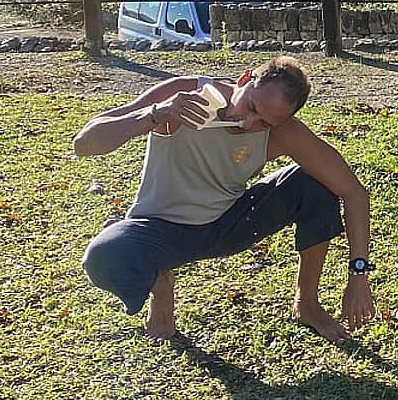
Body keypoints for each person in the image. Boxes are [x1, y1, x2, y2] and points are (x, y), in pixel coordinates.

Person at [75, 56, 377, 343]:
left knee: (315, 183)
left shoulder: (285, 132)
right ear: (244, 79)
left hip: (227, 224)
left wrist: (359, 275)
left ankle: (306, 303)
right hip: (159, 227)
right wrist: (154, 115)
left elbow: (354, 193)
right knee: (104, 256)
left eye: (264, 123)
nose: (248, 124)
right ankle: (161, 288)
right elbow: (84, 144)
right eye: (251, 106)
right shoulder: (187, 95)